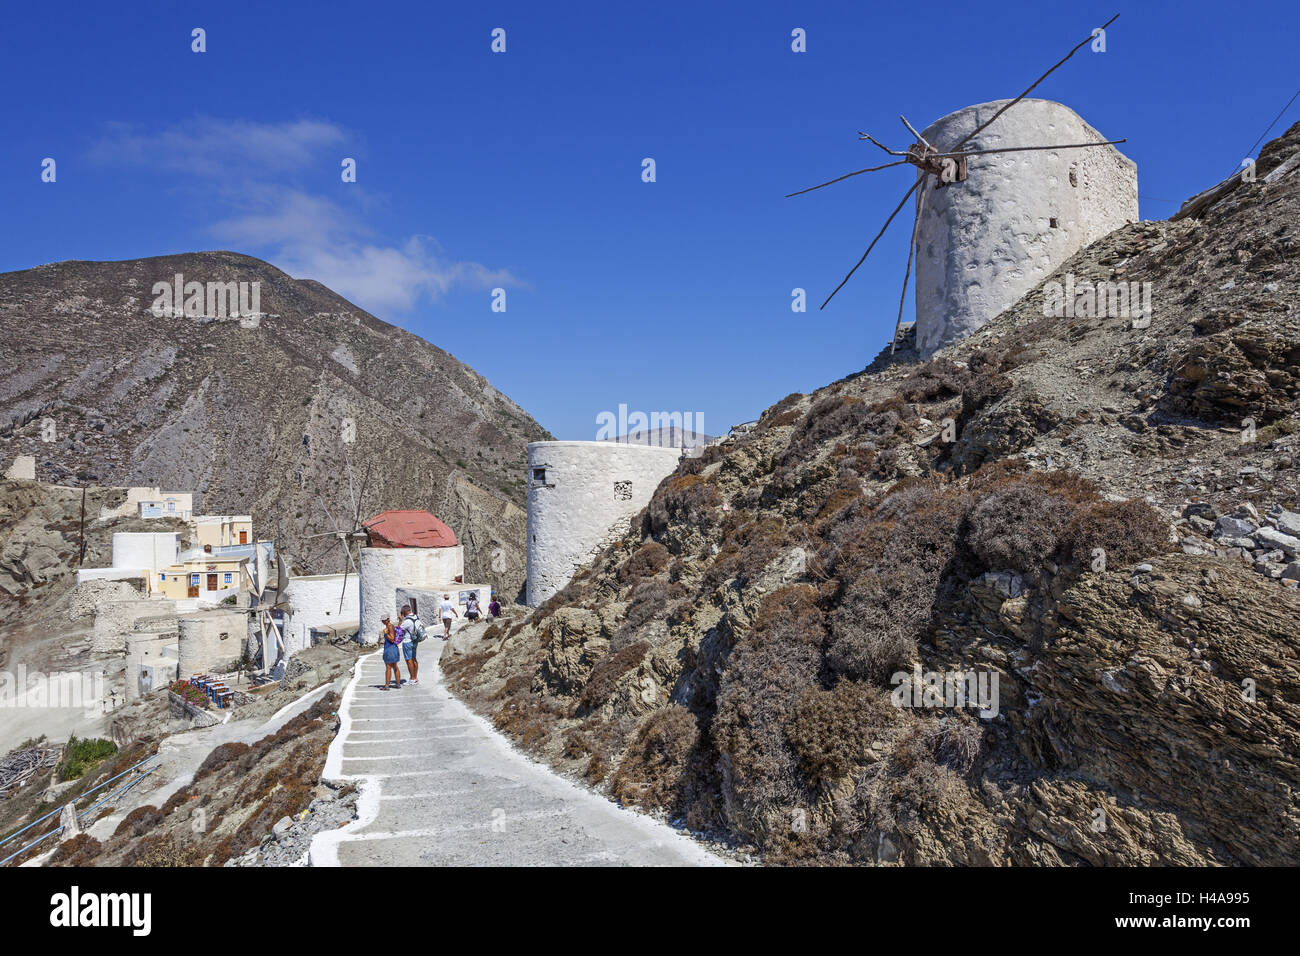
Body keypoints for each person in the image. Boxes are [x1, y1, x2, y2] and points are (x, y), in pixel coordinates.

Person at [400, 604, 421, 684]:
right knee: (414, 659)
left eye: (402, 612)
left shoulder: (407, 621)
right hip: (415, 640)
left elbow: (398, 630)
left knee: (409, 660)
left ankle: (412, 679)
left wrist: (400, 620)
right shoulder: (415, 617)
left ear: (405, 611)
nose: (402, 613)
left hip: (407, 641)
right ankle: (415, 678)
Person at [380, 615, 403, 690]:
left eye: (384, 620)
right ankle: (398, 684)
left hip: (390, 648)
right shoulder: (391, 626)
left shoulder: (389, 627)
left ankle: (386, 686)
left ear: (387, 620)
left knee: (388, 667)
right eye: (382, 620)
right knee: (395, 667)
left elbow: (392, 639)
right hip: (393, 648)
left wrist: (386, 634)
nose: (382, 621)